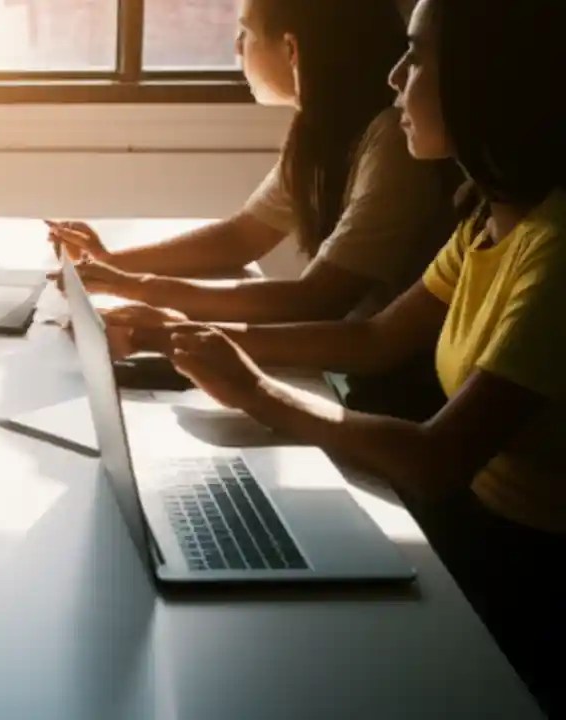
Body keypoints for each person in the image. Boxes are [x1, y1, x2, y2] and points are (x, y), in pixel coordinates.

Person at [108, 0, 564, 712]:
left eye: (415, 58)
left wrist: (262, 394)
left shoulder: (556, 248)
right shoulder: (488, 217)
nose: (394, 76)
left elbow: (437, 460)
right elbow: (376, 338)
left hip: (526, 574)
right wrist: (186, 338)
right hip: (475, 532)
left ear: (484, 80)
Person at [51, 0, 456, 420]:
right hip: (348, 373)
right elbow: (242, 236)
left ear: (292, 50)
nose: (237, 46)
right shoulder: (321, 132)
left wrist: (143, 292)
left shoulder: (392, 143)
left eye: (245, 31)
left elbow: (316, 299)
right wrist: (113, 265)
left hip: (393, 396)